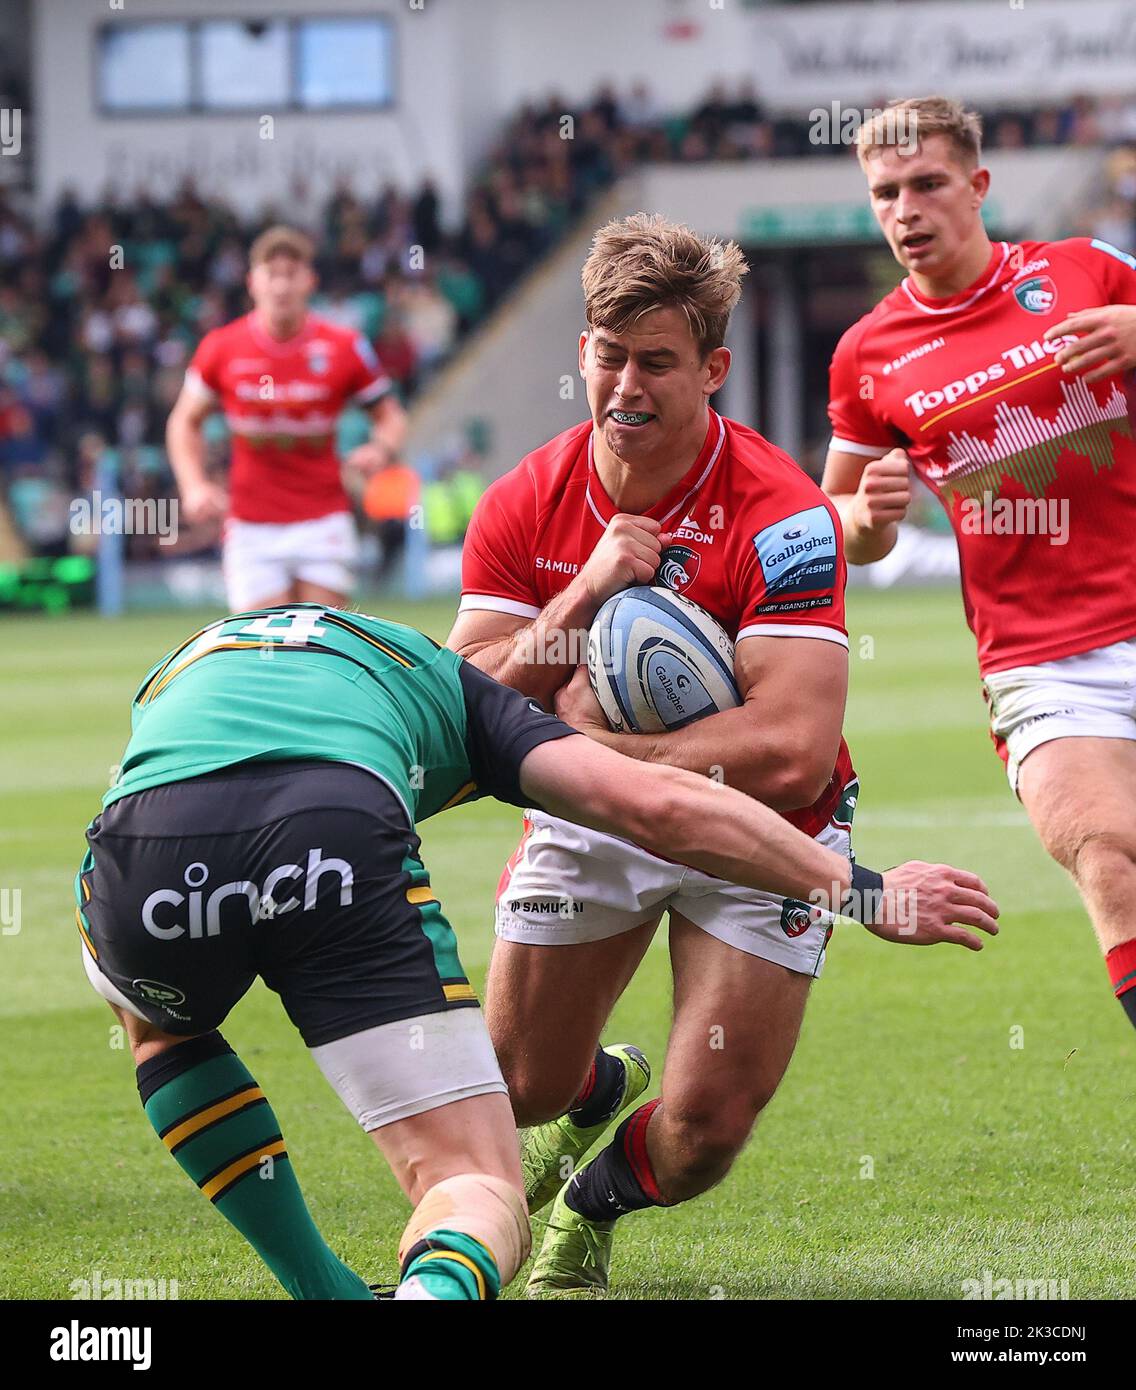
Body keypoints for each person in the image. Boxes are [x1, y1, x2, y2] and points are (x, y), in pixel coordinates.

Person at [75, 602, 996, 1301]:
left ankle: (324, 1289)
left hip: (141, 842)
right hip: (335, 833)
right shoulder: (465, 697)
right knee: (475, 1184)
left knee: (159, 1028)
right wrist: (867, 891)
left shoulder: (199, 657)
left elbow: (177, 778)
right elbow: (663, 808)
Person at [446, 214, 996, 1296]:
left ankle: (591, 1203)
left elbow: (788, 753)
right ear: (580, 356)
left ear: (713, 367)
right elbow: (459, 709)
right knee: (516, 1085)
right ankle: (596, 1088)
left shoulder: (784, 514)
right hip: (591, 817)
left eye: (657, 362)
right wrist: (586, 588)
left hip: (760, 830)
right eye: (608, 357)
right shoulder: (525, 500)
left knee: (703, 1130)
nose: (625, 387)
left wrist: (586, 745)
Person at [821, 97, 1136, 1048]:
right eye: (885, 194)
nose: (907, 209)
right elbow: (834, 525)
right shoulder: (868, 355)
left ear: (978, 186)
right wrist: (864, 521)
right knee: (1110, 856)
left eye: (926, 184)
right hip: (1042, 661)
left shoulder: (1084, 271)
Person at [165, 225, 407, 611]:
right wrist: (193, 485)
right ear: (252, 283)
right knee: (266, 650)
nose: (281, 287)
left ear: (309, 281)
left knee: (322, 645)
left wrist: (380, 449)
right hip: (251, 526)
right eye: (271, 274)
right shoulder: (221, 348)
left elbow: (390, 415)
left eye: (291, 275)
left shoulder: (344, 347)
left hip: (323, 519)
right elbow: (183, 421)